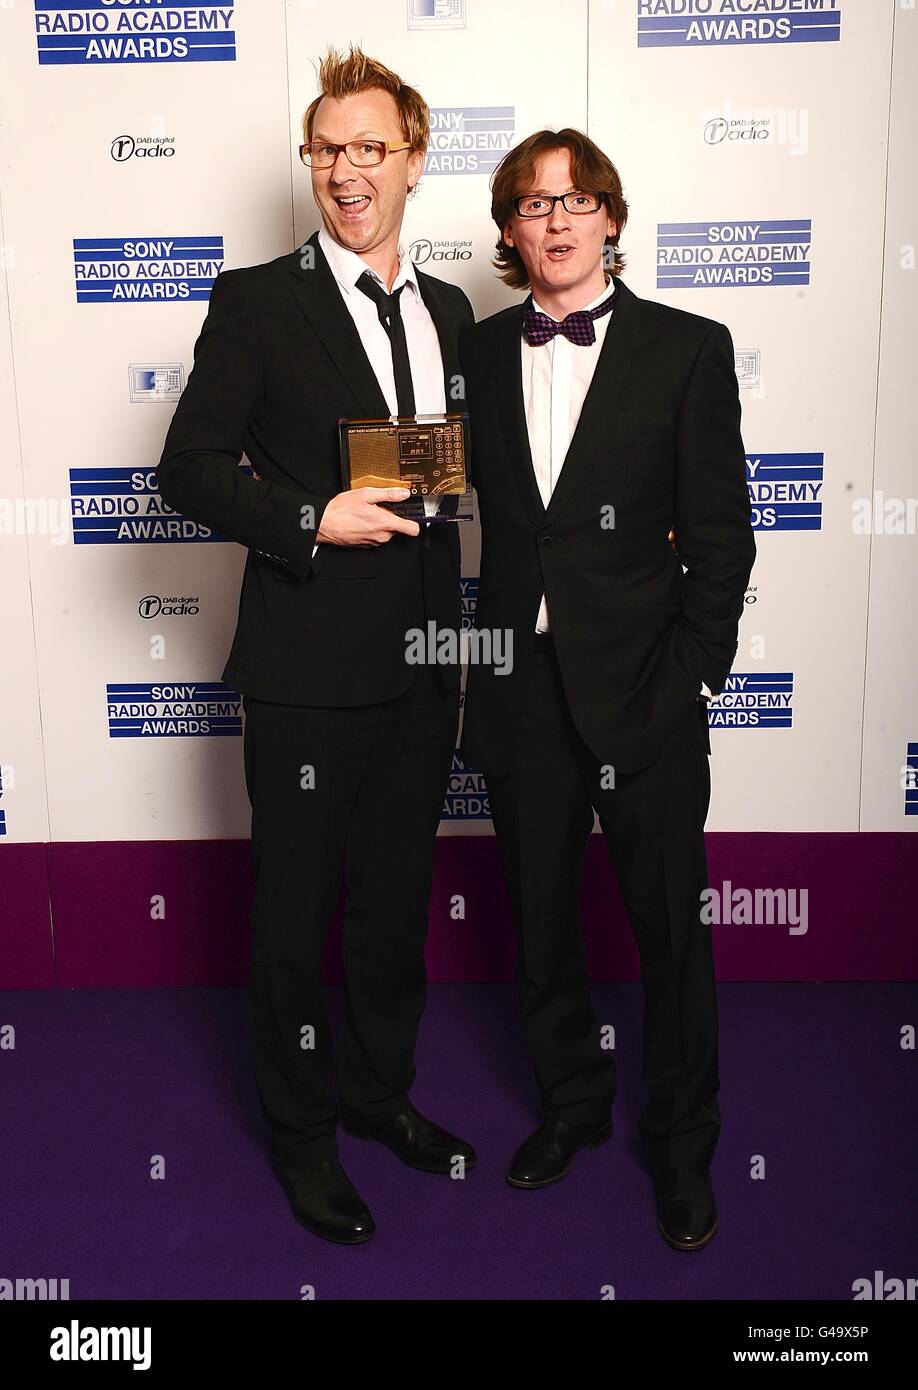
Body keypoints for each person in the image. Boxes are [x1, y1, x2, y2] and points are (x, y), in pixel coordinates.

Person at [157, 45, 476, 1246]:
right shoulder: (257, 299)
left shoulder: (450, 311)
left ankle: (379, 1096)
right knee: (295, 918)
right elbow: (186, 468)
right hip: (303, 673)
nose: (347, 171)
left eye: (370, 148)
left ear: (412, 159)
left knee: (393, 908)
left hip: (422, 667)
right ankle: (301, 1139)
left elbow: (455, 477)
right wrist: (307, 516)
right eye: (328, 149)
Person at [459, 128, 756, 1251]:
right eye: (534, 204)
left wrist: (688, 676)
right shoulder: (478, 352)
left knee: (670, 931)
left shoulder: (687, 348)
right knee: (540, 922)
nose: (557, 221)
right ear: (509, 228)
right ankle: (573, 1105)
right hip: (522, 689)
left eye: (577, 200)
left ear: (612, 219)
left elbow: (721, 538)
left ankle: (682, 1148)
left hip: (646, 688)